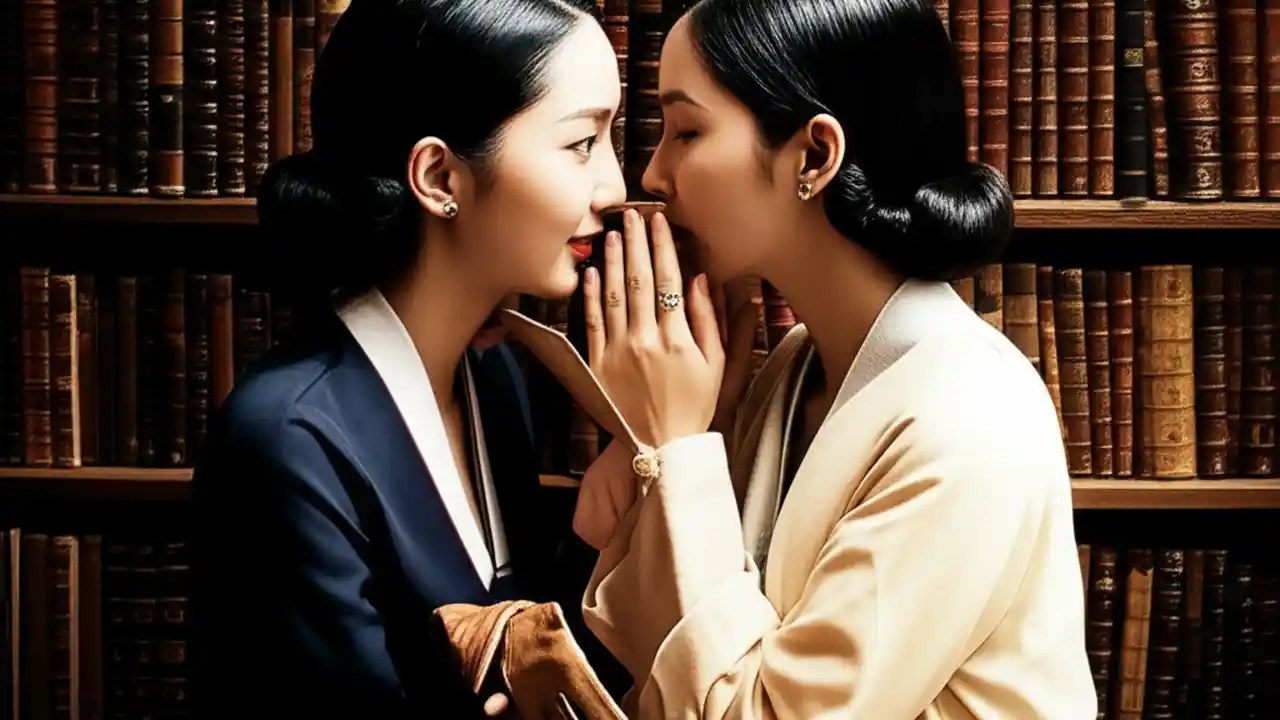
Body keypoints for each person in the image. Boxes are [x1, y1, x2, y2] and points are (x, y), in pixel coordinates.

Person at [571, 0, 1097, 717]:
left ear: (814, 157)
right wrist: (681, 437)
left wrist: (675, 448)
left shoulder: (971, 417)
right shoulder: (795, 363)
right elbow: (672, 665)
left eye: (687, 130)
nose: (655, 174)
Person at [187, 0, 628, 717]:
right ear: (440, 178)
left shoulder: (497, 377)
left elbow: (532, 658)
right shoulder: (288, 438)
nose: (613, 188)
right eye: (582, 143)